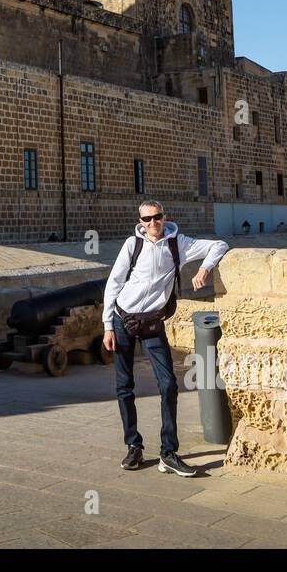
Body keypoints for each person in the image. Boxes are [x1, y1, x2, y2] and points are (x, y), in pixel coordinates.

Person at [103, 201, 229, 476]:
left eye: (157, 217)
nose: (152, 223)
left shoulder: (178, 243)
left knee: (169, 384)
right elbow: (113, 283)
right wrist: (107, 326)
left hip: (152, 323)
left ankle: (168, 452)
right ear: (140, 221)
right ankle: (133, 446)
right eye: (146, 219)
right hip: (122, 319)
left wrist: (204, 269)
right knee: (125, 386)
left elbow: (219, 245)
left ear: (164, 217)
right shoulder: (131, 245)